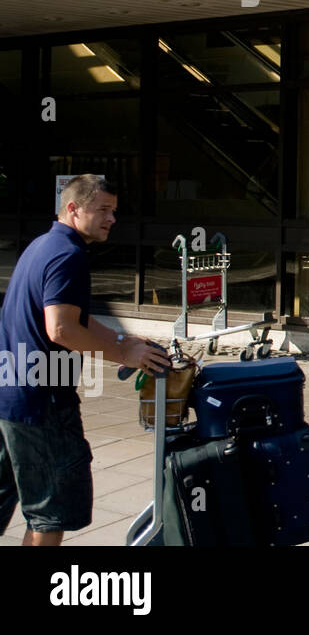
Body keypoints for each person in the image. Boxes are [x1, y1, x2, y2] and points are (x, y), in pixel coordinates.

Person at [0, 175, 171, 546]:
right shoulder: (68, 254)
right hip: (41, 404)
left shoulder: (42, 246)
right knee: (49, 515)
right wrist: (124, 354)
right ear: (73, 209)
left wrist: (124, 339)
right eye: (103, 210)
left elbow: (77, 318)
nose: (112, 219)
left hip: (9, 398)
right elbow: (61, 329)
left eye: (114, 211)